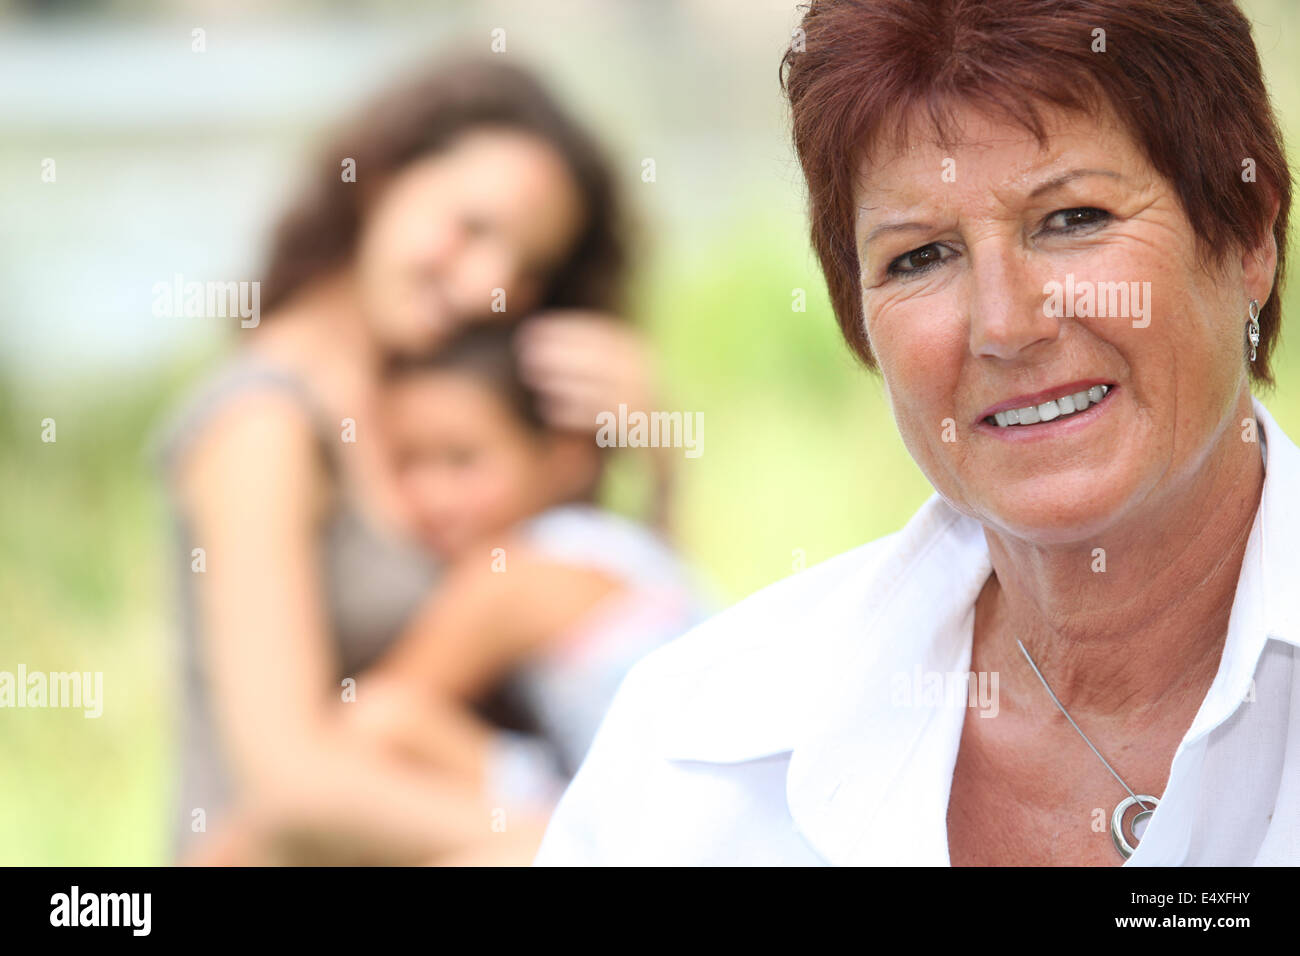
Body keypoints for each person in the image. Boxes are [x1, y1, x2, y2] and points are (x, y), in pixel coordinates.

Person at [535, 0, 1299, 866]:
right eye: (921, 256)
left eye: (1074, 218)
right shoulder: (686, 753)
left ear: (1248, 235)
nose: (1006, 325)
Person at [155, 54, 659, 865]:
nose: (488, 283)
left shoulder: (431, 401)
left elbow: (604, 643)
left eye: (529, 268)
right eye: (472, 227)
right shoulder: (265, 421)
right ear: (382, 179)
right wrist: (567, 842)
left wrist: (657, 461)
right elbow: (291, 784)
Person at [340, 322, 710, 847]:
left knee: (384, 717)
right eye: (406, 464)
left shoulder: (508, 575)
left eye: (461, 459)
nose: (430, 496)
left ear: (563, 459)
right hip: (696, 809)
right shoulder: (611, 545)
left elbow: (368, 723)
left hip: (658, 829)